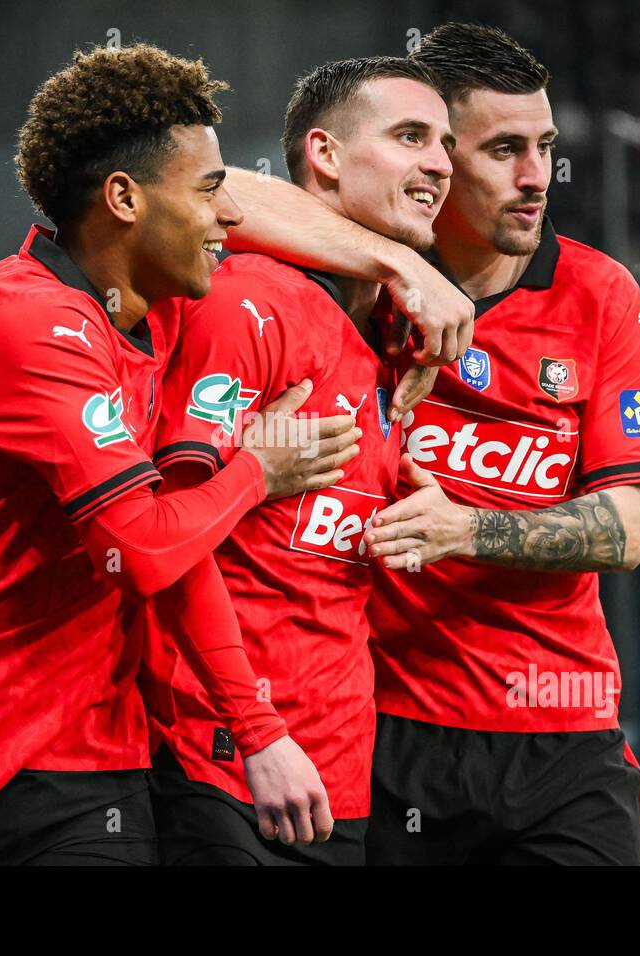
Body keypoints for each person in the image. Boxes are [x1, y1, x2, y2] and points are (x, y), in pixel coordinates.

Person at [0, 44, 362, 866]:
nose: (229, 218)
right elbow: (143, 547)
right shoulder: (28, 322)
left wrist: (256, 731)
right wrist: (257, 472)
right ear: (124, 200)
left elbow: (181, 551)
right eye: (208, 193)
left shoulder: (159, 312)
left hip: (96, 767)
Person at [222, 23, 640, 865]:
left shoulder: (596, 293)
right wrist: (404, 269)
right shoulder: (359, 289)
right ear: (431, 160)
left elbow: (628, 530)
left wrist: (462, 528)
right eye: (502, 150)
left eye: (543, 146)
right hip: (392, 738)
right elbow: (222, 194)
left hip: (561, 732)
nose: (537, 177)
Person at [143, 56, 454, 865]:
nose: (440, 165)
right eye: (410, 136)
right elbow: (170, 540)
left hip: (337, 773)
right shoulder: (245, 298)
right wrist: (257, 734)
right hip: (223, 764)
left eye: (446, 146)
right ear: (323, 155)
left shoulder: (391, 341)